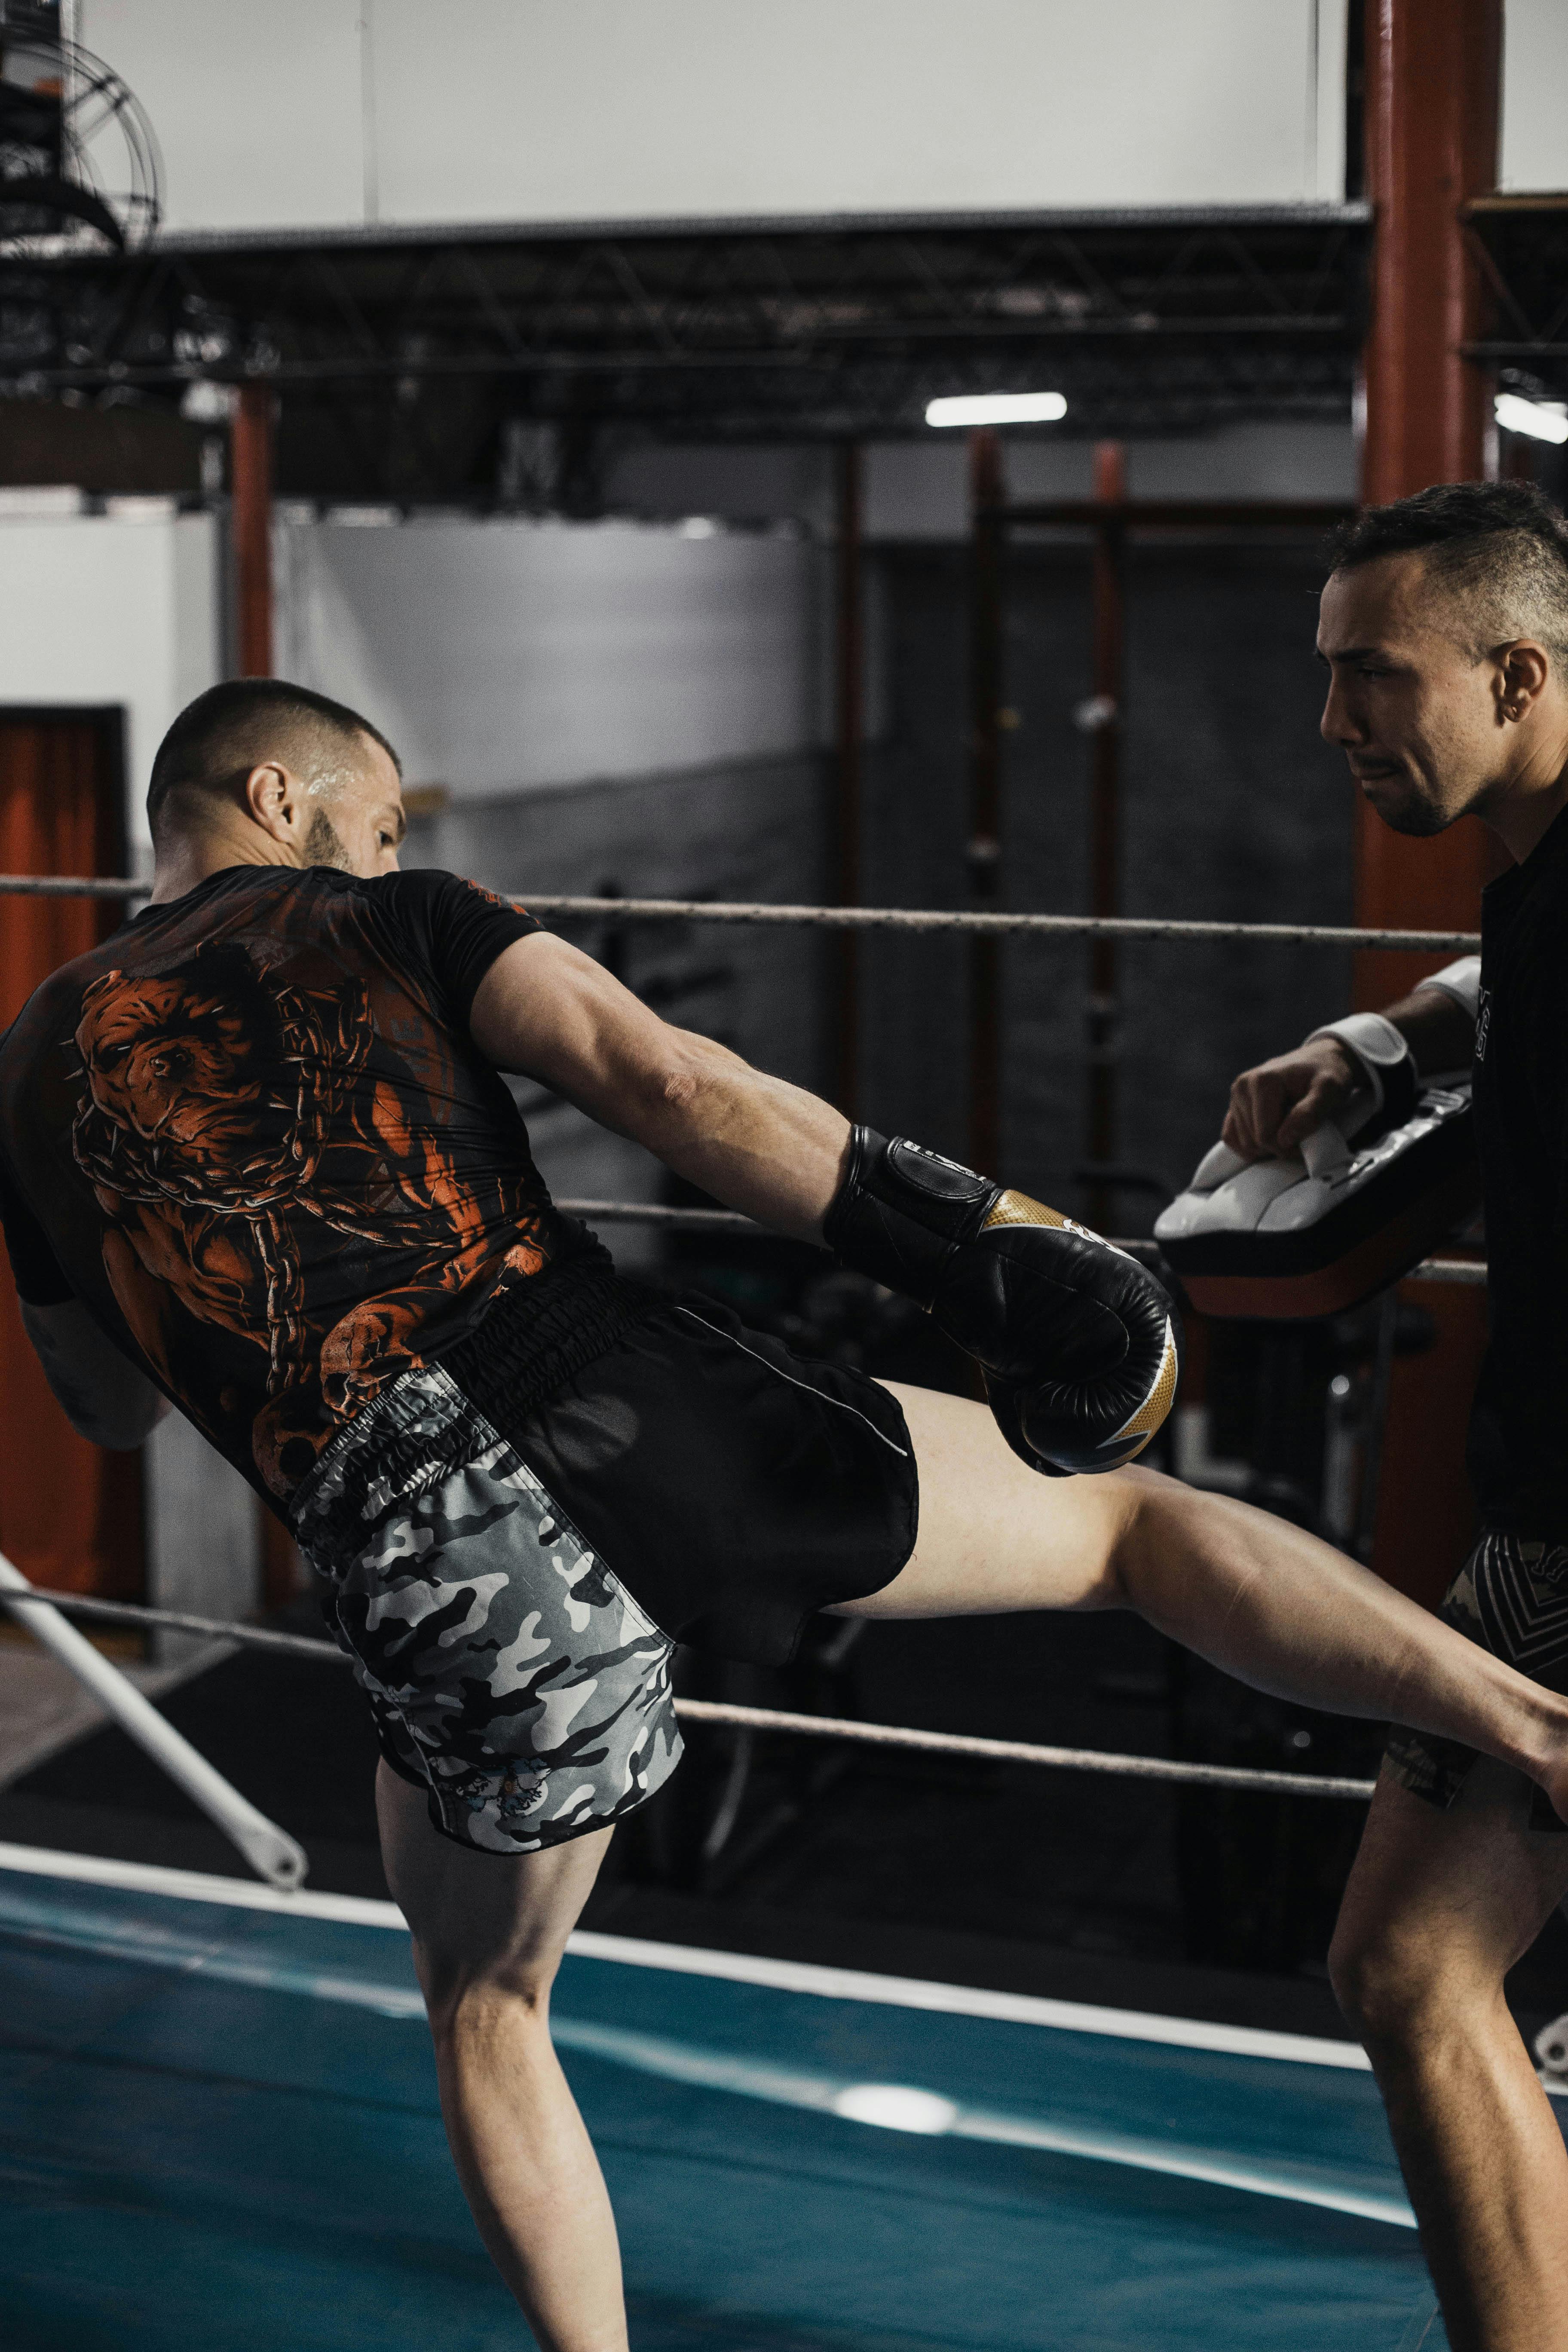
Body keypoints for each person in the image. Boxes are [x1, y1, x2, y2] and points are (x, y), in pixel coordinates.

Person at [3, 680, 1567, 2352]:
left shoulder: (25, 1073)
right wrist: (985, 1247)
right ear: (281, 797)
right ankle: (1539, 1732)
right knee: (1134, 1533)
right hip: (627, 1415)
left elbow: (99, 1404)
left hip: (419, 1553)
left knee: (485, 2003)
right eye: (378, 819)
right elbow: (664, 1080)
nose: (389, 846)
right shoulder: (391, 917)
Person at [1223, 480, 1568, 2352]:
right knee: (1415, 1967)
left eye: (1376, 678)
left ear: (1517, 672)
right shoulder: (1539, 873)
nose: (1340, 722)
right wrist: (1380, 1041)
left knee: (1415, 1964)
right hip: (1544, 1523)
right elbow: (1510, 978)